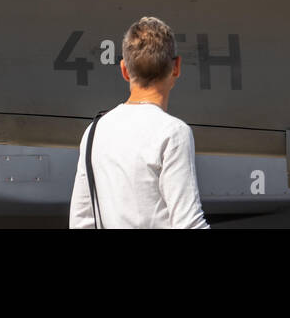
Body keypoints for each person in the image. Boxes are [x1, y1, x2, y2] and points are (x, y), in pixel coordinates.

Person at [69, 16, 208, 228]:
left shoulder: (94, 131)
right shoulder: (173, 132)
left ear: (124, 70)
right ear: (176, 67)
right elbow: (189, 223)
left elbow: (81, 221)